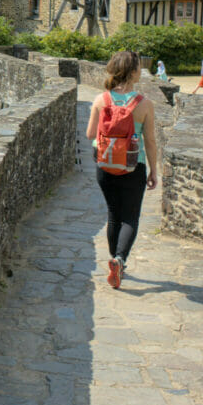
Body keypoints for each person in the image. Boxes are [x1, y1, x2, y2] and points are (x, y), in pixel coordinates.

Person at [85, 51, 161, 290]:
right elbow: (150, 141)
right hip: (132, 166)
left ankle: (114, 259)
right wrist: (153, 170)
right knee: (130, 217)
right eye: (139, 67)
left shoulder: (101, 100)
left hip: (105, 166)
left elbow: (89, 134)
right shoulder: (144, 104)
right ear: (133, 72)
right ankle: (119, 259)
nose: (140, 70)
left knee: (113, 214)